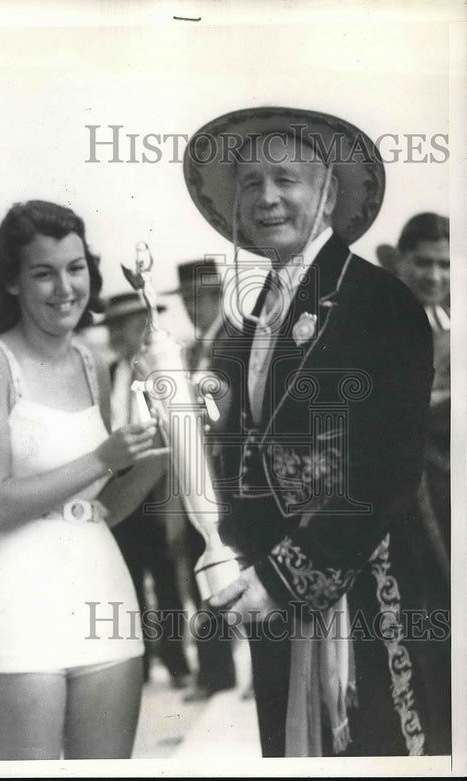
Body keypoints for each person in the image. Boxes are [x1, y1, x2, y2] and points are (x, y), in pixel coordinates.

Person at [182, 108, 435, 756]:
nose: (266, 198)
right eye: (251, 183)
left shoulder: (379, 301)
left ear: (328, 193)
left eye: (285, 179)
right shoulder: (256, 313)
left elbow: (387, 472)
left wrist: (280, 579)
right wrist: (237, 560)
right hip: (275, 606)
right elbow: (244, 455)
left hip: (369, 595)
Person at [0, 200, 167, 760]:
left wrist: (165, 447)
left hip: (102, 593)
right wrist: (103, 457)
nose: (65, 288)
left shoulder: (90, 365)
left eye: (75, 268)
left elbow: (105, 508)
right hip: (17, 606)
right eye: (43, 273)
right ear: (12, 281)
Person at [377, 213, 451, 753]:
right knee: (426, 625)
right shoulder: (380, 324)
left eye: (446, 264)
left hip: (451, 497)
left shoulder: (450, 325)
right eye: (424, 262)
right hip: (407, 508)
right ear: (401, 260)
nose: (435, 275)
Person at [103, 292, 192, 689]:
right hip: (118, 488)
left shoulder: (160, 371)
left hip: (156, 487)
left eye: (138, 324)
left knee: (166, 577)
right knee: (127, 580)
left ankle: (176, 662)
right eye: (122, 327)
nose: (129, 334)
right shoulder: (110, 374)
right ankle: (137, 666)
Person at [171, 260, 238, 702]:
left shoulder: (236, 340)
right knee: (203, 569)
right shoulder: (194, 349)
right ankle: (216, 672)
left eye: (200, 298)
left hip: (230, 476)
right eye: (186, 300)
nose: (193, 307)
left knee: (240, 569)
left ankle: (250, 674)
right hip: (199, 477)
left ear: (218, 295)